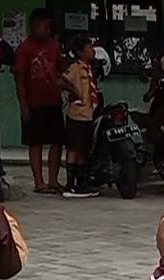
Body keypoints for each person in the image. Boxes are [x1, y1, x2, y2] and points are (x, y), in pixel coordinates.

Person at [14, 9, 67, 194]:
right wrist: (23, 105)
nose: (47, 29)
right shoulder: (24, 48)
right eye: (45, 26)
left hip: (54, 101)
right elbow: (19, 79)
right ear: (35, 24)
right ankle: (39, 181)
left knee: (57, 141)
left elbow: (61, 70)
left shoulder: (53, 45)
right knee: (35, 143)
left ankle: (53, 180)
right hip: (34, 103)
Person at [62, 35, 100, 199]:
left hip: (88, 115)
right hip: (77, 115)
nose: (92, 51)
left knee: (83, 149)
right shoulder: (75, 68)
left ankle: (81, 183)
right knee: (74, 148)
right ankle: (70, 184)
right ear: (80, 52)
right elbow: (62, 80)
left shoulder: (90, 69)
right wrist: (74, 92)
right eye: (89, 48)